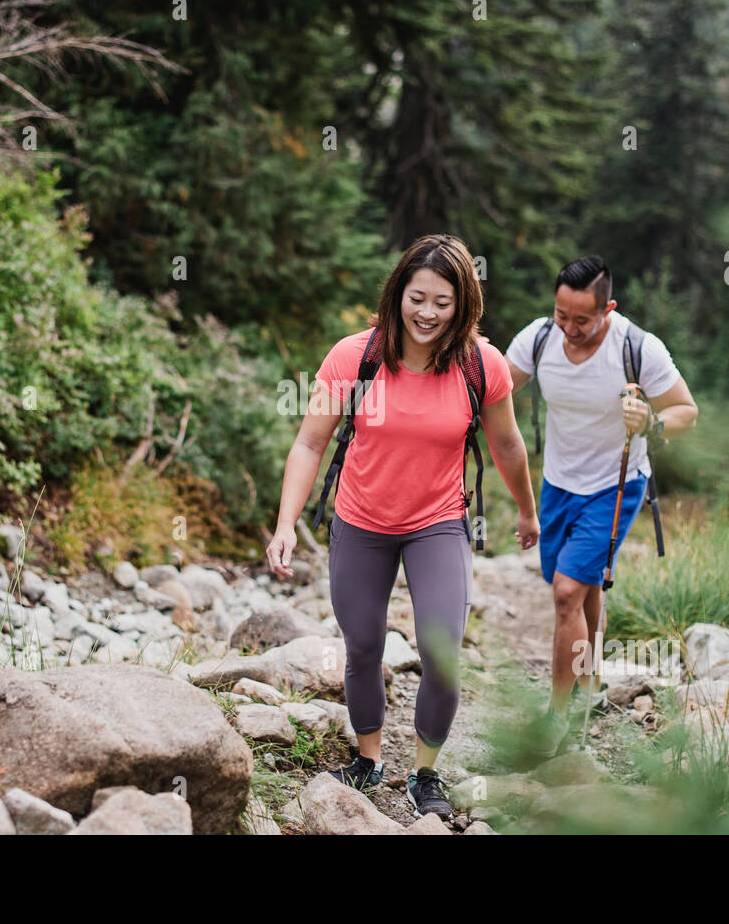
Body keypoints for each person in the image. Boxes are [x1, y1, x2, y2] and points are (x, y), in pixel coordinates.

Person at [265, 233, 539, 819]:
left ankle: (424, 773)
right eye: (418, 298)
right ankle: (368, 759)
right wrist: (286, 523)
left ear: (463, 305)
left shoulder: (481, 365)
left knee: (442, 651)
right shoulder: (354, 357)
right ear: (397, 294)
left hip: (438, 522)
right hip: (360, 519)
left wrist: (526, 509)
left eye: (443, 302)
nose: (428, 313)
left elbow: (508, 445)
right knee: (363, 646)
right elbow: (310, 443)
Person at [505, 255, 699, 756]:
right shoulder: (540, 338)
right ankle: (589, 680)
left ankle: (557, 715)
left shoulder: (638, 348)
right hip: (557, 484)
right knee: (580, 586)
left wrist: (652, 424)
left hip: (616, 485)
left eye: (581, 320)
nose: (568, 329)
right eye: (561, 315)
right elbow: (497, 384)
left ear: (607, 308)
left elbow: (686, 413)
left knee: (567, 592)